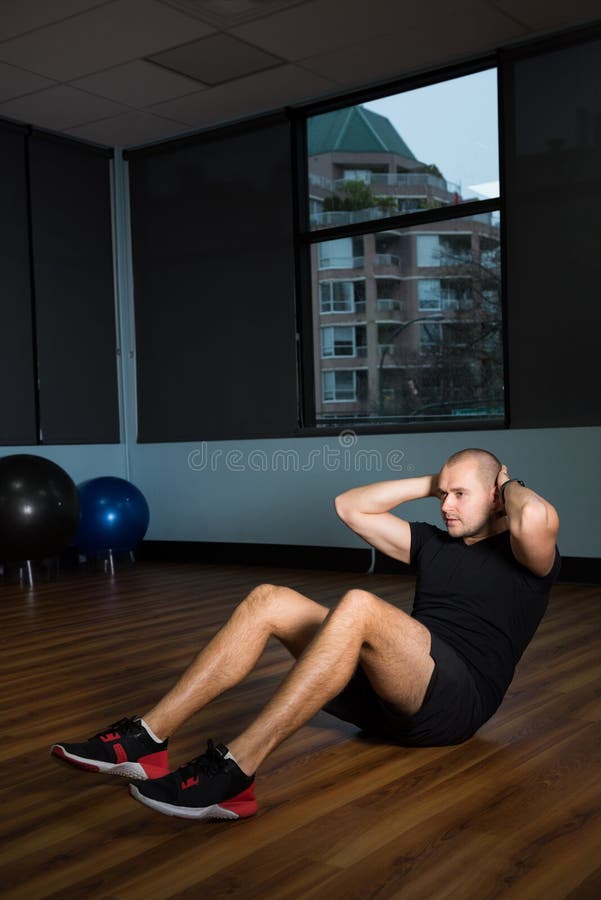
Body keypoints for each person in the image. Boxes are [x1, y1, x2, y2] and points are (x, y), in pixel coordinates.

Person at [51, 448, 561, 821]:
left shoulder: (527, 557)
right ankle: (146, 740)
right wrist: (439, 480)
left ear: (495, 497)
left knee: (361, 605)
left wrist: (503, 483)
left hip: (454, 706)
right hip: (390, 696)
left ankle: (236, 771)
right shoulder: (432, 543)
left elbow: (533, 514)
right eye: (444, 495)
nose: (446, 504)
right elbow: (349, 506)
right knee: (268, 599)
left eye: (459, 495)